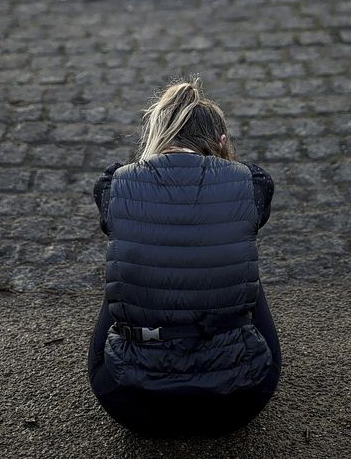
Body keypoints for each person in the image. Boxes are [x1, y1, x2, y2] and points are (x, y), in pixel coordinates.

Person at [87, 79, 281, 439]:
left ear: (157, 136)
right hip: (240, 400)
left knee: (129, 269)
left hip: (129, 402)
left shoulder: (115, 185)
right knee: (238, 268)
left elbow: (110, 224)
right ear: (222, 142)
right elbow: (255, 219)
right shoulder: (250, 183)